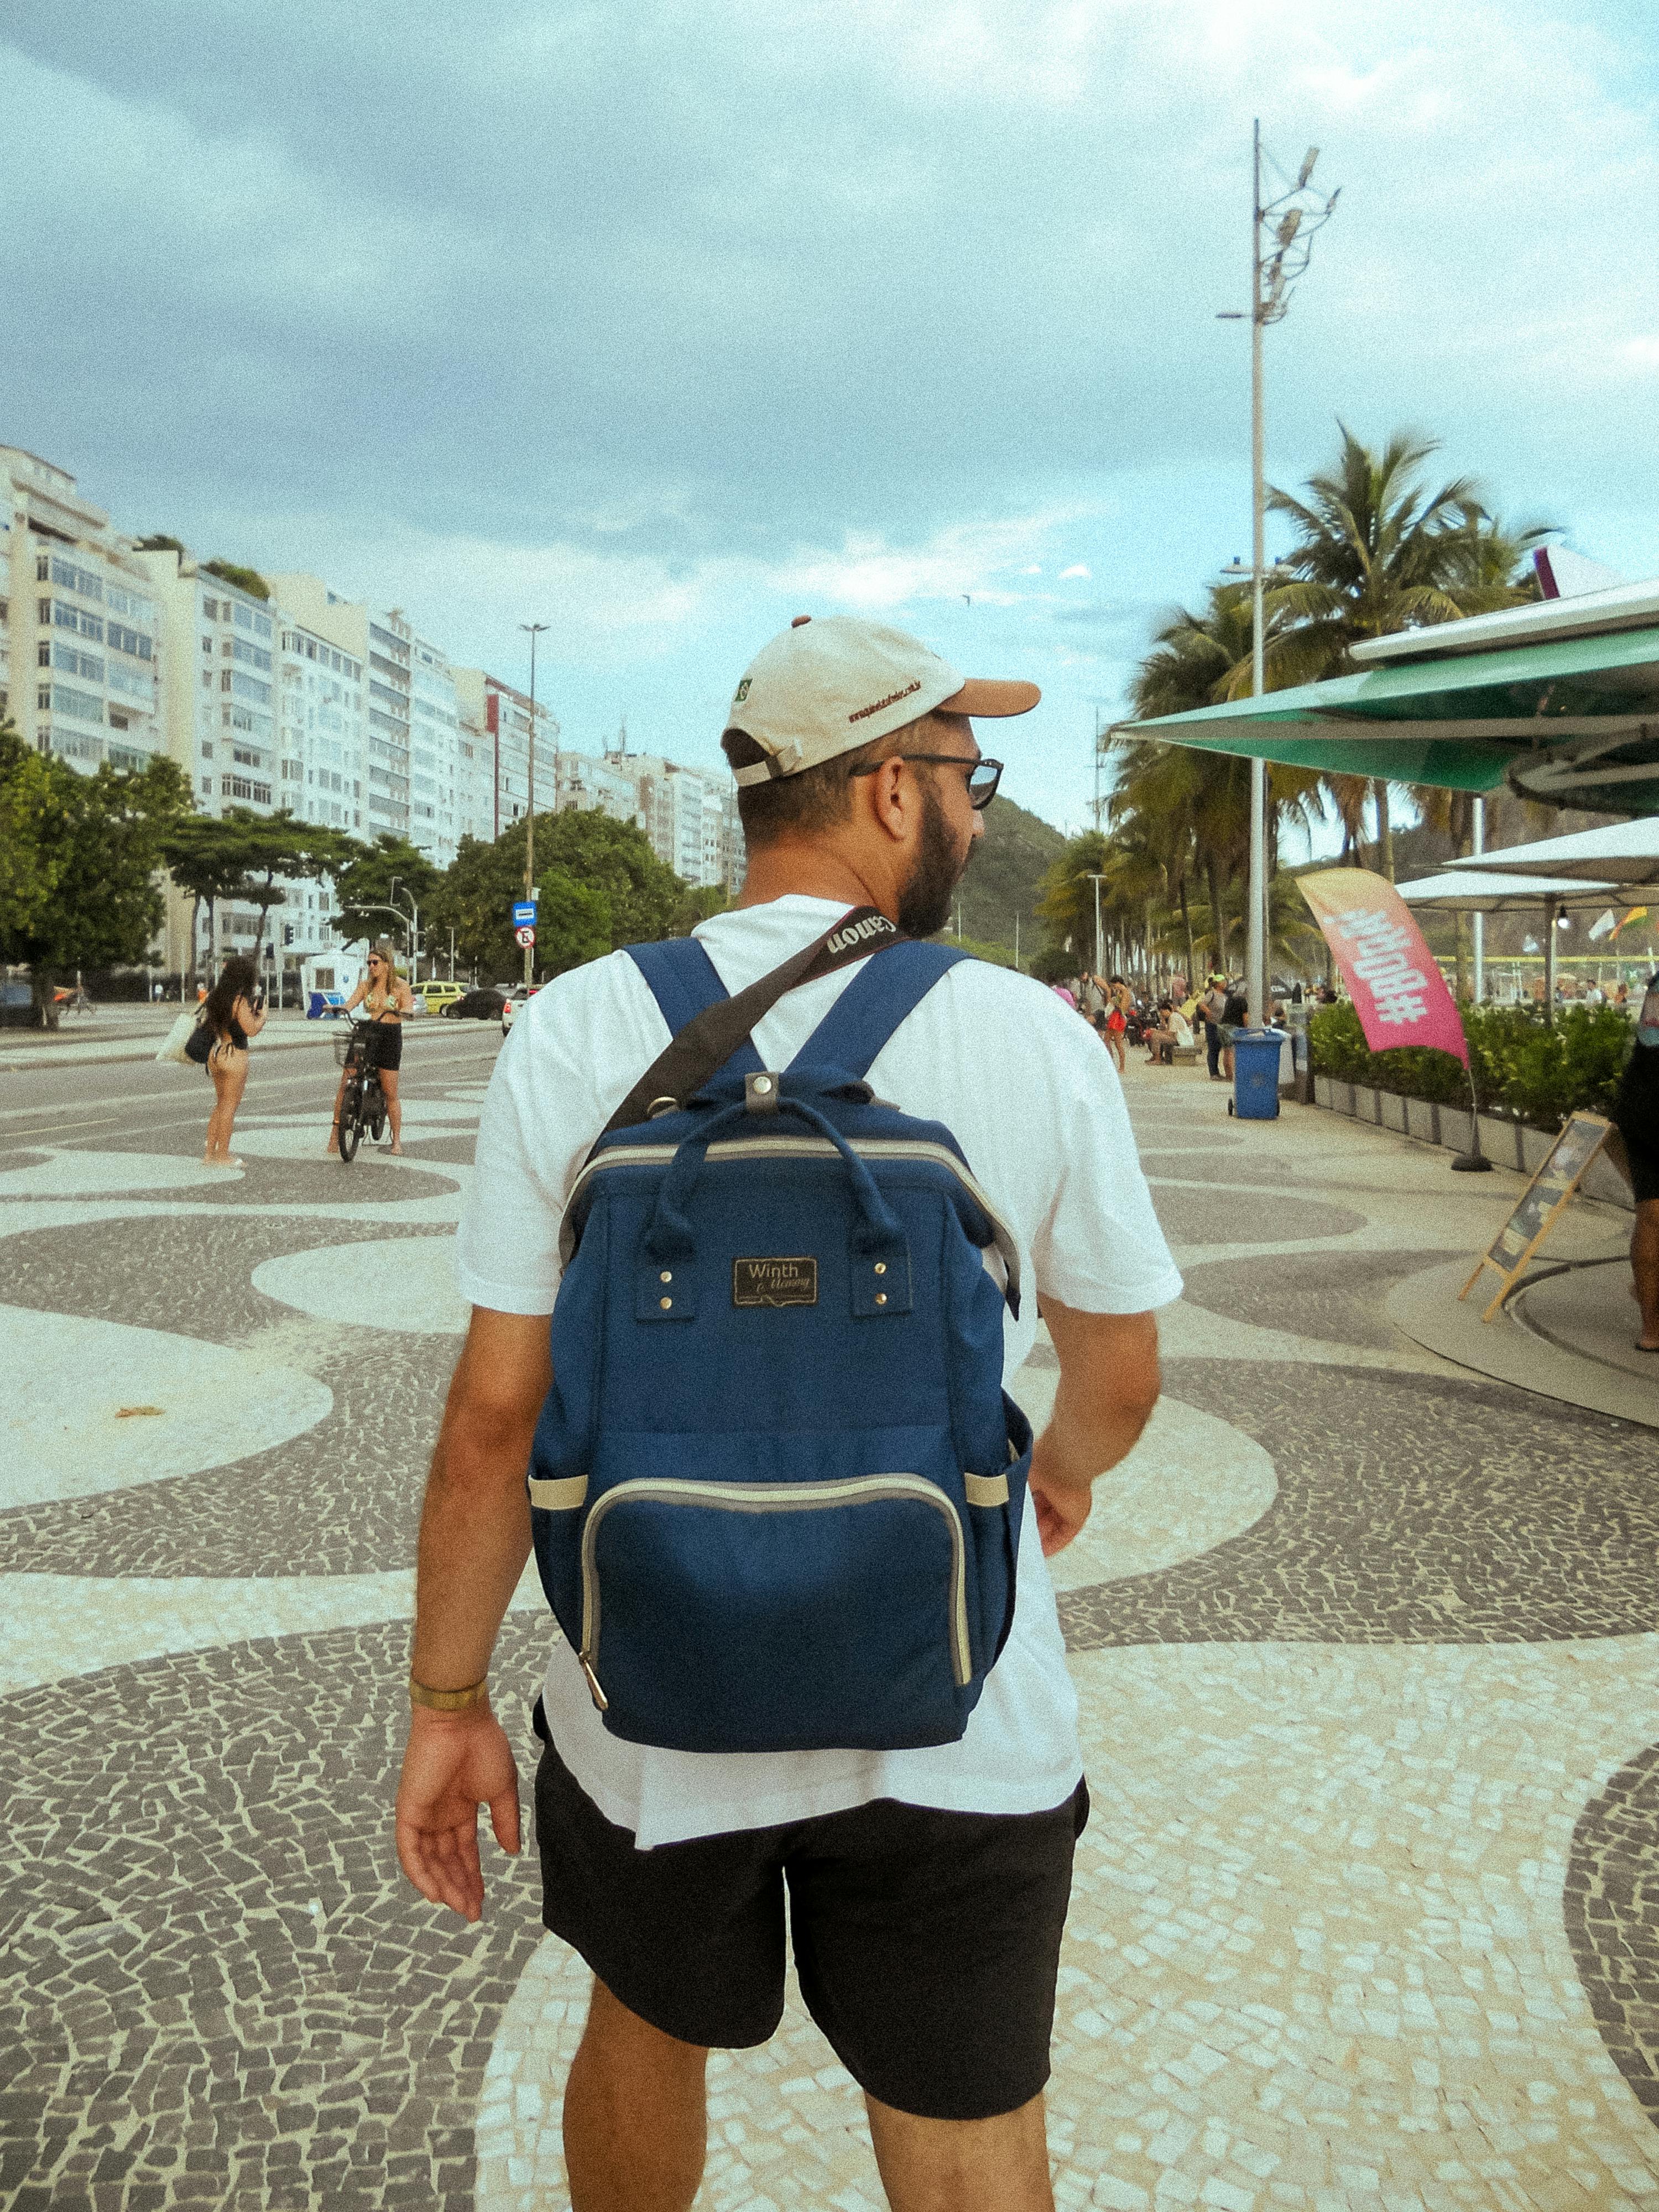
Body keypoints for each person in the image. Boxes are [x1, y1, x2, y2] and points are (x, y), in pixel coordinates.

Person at [395, 614, 1181, 2212]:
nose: (973, 807)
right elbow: (1120, 1372)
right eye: (967, 774)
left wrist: (447, 1699)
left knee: (640, 2035)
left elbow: (494, 1414)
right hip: (956, 1708)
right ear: (890, 790)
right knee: (968, 2134)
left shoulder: (578, 1023)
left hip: (651, 1698)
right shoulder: (1029, 1030)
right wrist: (1068, 1477)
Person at [328, 940, 413, 1155]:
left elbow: (408, 1008)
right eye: (369, 963)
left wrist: (404, 1012)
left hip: (389, 1036)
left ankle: (397, 1141)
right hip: (367, 1033)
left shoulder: (401, 986)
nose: (371, 967)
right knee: (346, 1080)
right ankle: (334, 1136)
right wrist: (340, 1008)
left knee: (390, 1091)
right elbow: (351, 1003)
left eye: (375, 963)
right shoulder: (365, 986)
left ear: (387, 964)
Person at [1615, 971, 1659, 1352]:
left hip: (1641, 1107)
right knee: (1653, 1217)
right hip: (1649, 1111)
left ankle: (1652, 1321)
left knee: (1652, 1216)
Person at [199, 954, 265, 1167]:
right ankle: (223, 1156)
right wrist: (262, 1016)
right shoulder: (239, 1000)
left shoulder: (216, 997)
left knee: (219, 1106)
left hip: (216, 1053)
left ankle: (210, 1155)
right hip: (234, 1054)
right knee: (229, 1107)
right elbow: (251, 1029)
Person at [1197, 973, 1228, 1081]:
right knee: (1213, 1048)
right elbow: (1202, 1003)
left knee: (1219, 1048)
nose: (1225, 984)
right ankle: (1213, 1073)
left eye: (1225, 982)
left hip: (1221, 1025)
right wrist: (1208, 1012)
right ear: (1217, 984)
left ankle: (1218, 1072)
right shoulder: (1212, 994)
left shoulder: (1224, 996)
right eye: (1223, 982)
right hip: (1212, 1024)